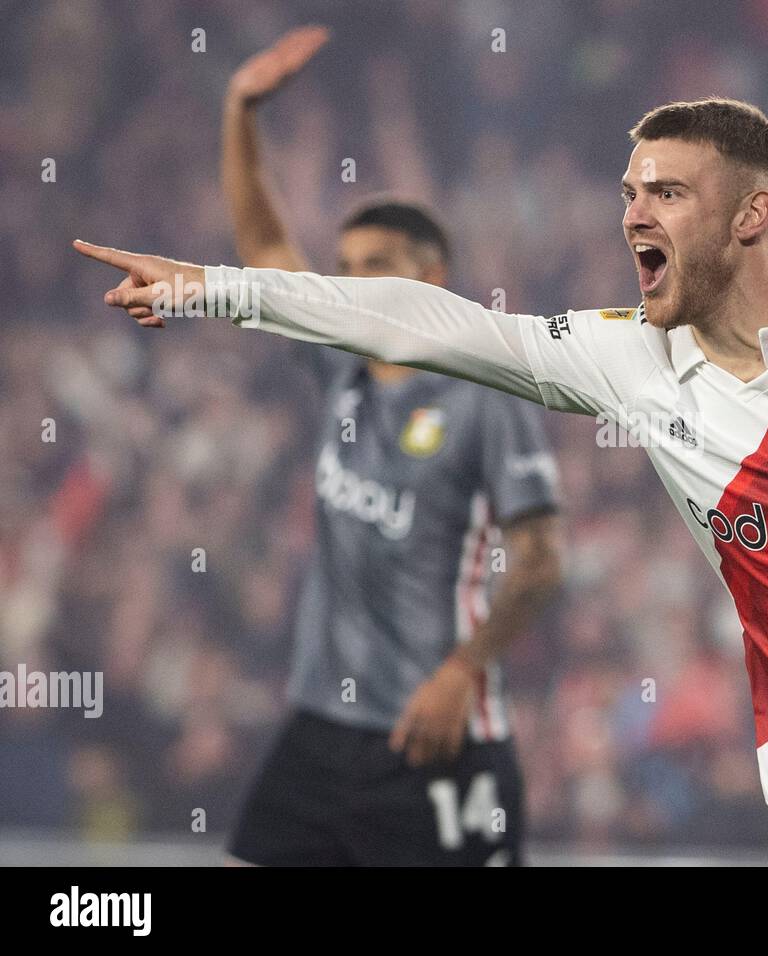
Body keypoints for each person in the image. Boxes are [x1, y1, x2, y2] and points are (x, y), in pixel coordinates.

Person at [76, 96, 768, 867]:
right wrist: (214, 287)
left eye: (668, 193)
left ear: (750, 215)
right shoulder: (629, 353)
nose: (634, 214)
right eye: (629, 191)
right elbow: (430, 320)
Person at [218, 27, 564, 866]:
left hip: (437, 736)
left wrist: (462, 671)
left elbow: (543, 559)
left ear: (431, 275)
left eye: (373, 264)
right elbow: (267, 252)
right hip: (319, 732)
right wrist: (239, 113)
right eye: (343, 265)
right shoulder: (339, 368)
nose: (347, 281)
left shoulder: (487, 392)